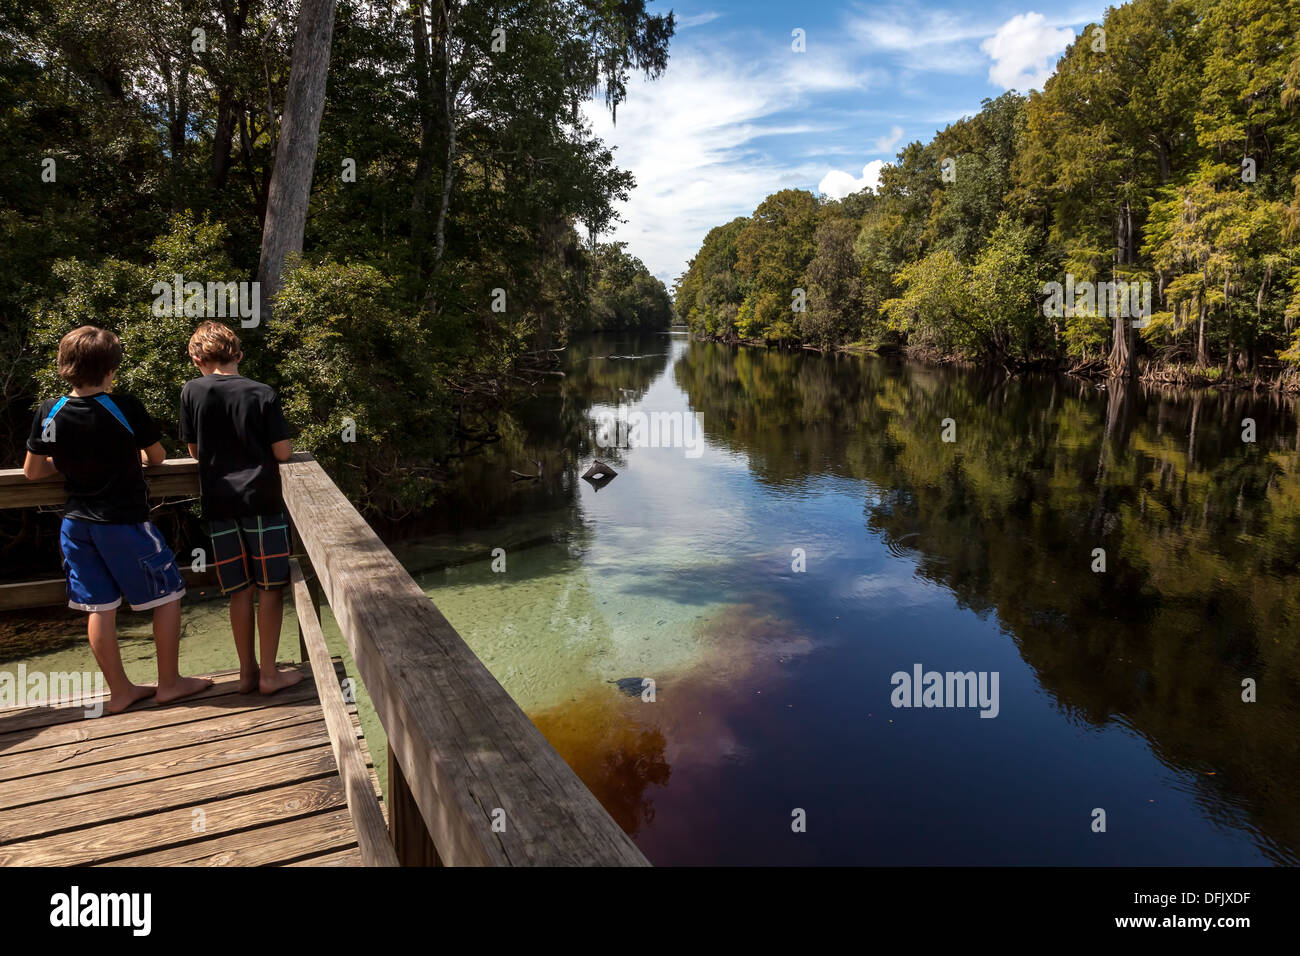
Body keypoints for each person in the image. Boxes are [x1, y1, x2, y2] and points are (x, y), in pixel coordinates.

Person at [23, 326, 212, 713]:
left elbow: (33, 472)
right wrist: (131, 457)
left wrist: (70, 460)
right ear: (111, 370)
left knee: (99, 607)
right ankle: (170, 683)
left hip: (76, 524)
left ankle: (121, 691)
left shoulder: (50, 410)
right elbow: (157, 457)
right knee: (169, 594)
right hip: (123, 521)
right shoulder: (123, 407)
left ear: (65, 365)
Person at [180, 321, 302, 695]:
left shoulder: (192, 391)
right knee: (269, 588)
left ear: (196, 358)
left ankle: (246, 673)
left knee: (239, 590)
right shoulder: (261, 392)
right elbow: (282, 451)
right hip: (262, 502)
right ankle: (270, 674)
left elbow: (194, 452)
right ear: (239, 355)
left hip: (218, 504)